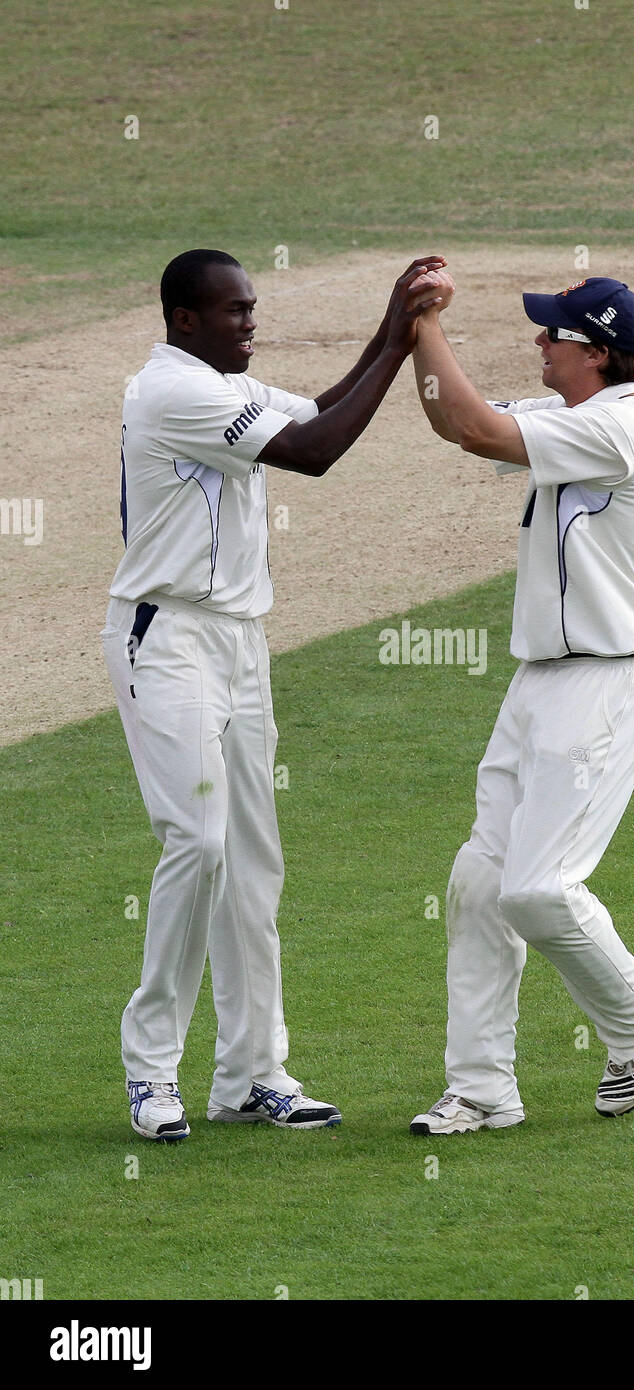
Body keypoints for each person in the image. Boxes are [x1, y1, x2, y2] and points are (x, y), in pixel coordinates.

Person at [102, 248, 445, 1141]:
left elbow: (319, 409)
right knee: (200, 840)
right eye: (234, 312)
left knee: (253, 860)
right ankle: (150, 1070)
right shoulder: (175, 392)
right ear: (185, 320)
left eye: (252, 308)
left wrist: (392, 323)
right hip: (167, 639)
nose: (251, 323)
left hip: (240, 644)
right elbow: (317, 450)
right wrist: (407, 343)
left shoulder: (219, 385)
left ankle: (254, 1073)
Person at [404, 272, 634, 1134]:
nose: (540, 342)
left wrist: (429, 318)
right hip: (541, 681)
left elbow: (483, 426)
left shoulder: (621, 428)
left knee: (537, 889)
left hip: (607, 681)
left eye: (555, 334)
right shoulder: (575, 417)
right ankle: (482, 1087)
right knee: (480, 882)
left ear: (596, 353)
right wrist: (419, 333)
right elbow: (460, 423)